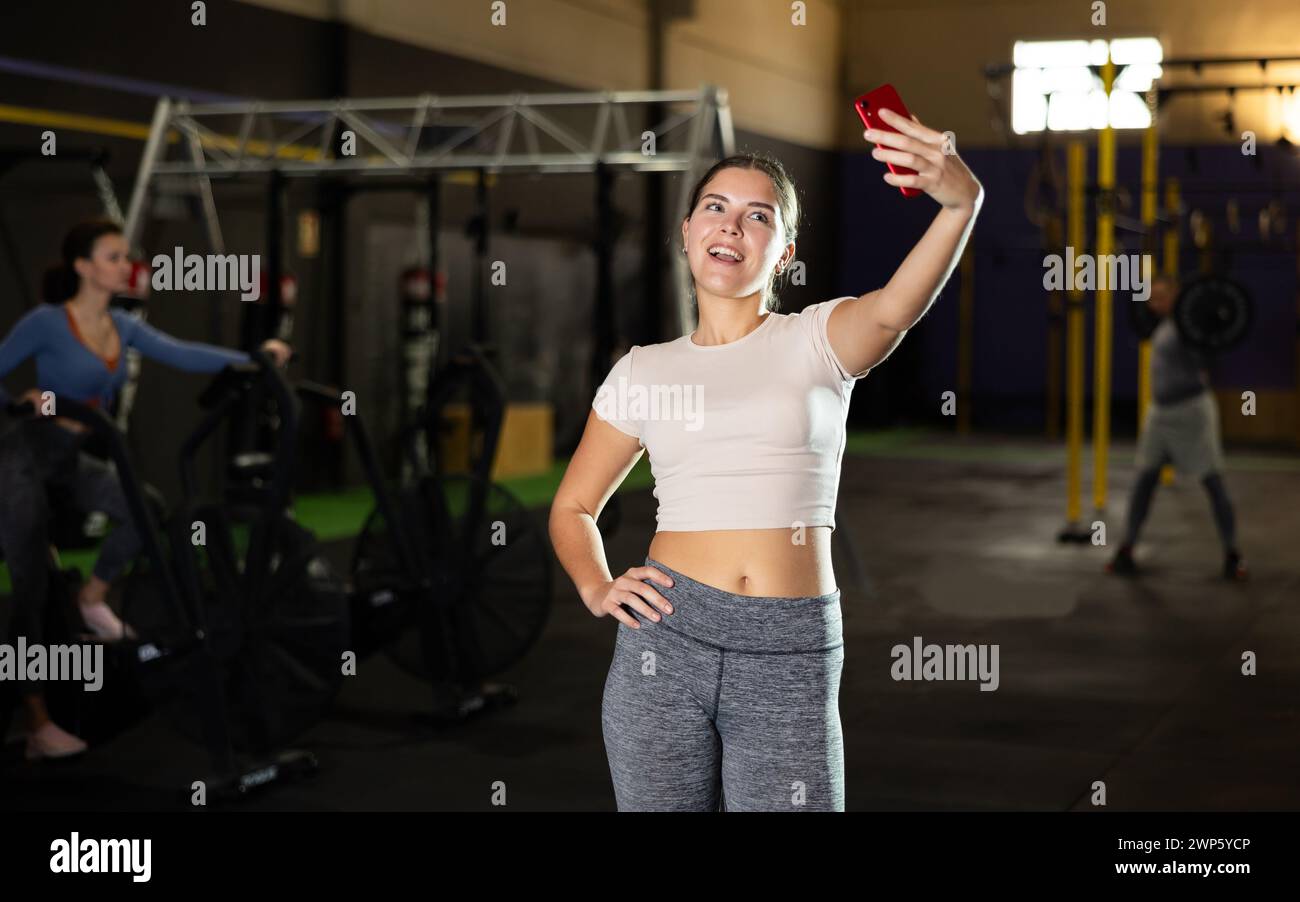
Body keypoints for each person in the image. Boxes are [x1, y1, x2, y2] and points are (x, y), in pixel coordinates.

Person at [549, 109, 983, 811]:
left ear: (783, 251)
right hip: (665, 640)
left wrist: (961, 203)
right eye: (715, 208)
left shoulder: (818, 340)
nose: (731, 225)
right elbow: (572, 507)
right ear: (687, 231)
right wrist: (597, 587)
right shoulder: (643, 370)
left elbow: (897, 308)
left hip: (789, 648)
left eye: (758, 217)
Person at [0, 218, 291, 761]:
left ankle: (92, 599)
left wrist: (254, 359)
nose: (124, 265)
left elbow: (182, 353)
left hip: (70, 459)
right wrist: (19, 401)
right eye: (112, 257)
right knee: (31, 592)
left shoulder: (121, 326)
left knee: (145, 507)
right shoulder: (47, 322)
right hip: (21, 459)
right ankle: (39, 726)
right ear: (84, 267)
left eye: (124, 257)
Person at [1107, 273, 1246, 580]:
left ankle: (1232, 555)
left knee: (1213, 483)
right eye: (1152, 298)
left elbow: (1207, 354)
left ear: (1177, 296)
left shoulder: (1190, 327)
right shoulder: (1163, 327)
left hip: (1192, 411)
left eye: (1161, 297)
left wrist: (1208, 323)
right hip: (1160, 414)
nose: (1155, 303)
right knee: (1144, 480)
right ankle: (1126, 549)